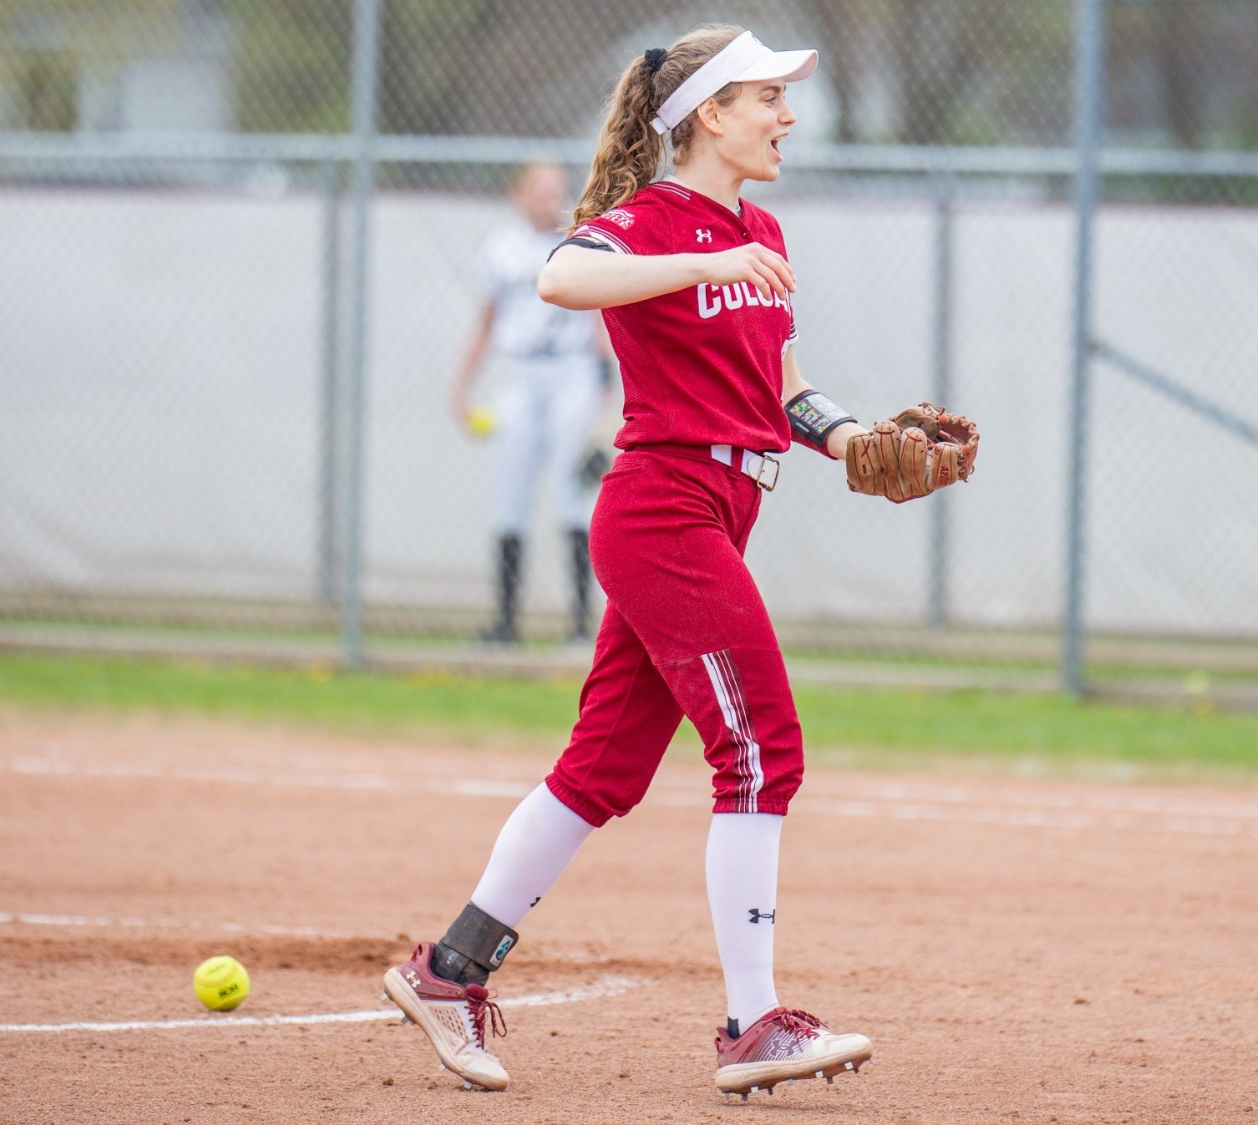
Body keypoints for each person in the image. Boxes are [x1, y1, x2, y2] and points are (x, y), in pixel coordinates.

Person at [381, 24, 974, 1099]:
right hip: (662, 510)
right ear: (707, 114)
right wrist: (702, 257)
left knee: (601, 772)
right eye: (763, 100)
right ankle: (752, 1027)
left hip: (720, 502)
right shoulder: (653, 224)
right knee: (759, 751)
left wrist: (851, 442)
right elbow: (561, 275)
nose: (784, 116)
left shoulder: (767, 234)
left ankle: (448, 969)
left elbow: (781, 388)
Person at [450, 162, 613, 645]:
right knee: (510, 494)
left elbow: (599, 318)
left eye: (555, 193)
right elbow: (487, 320)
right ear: (520, 195)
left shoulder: (579, 241)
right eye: (539, 192)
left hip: (571, 374)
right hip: (519, 375)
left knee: (575, 496)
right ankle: (504, 622)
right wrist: (462, 386)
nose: (548, 201)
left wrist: (605, 389)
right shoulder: (502, 248)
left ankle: (582, 625)